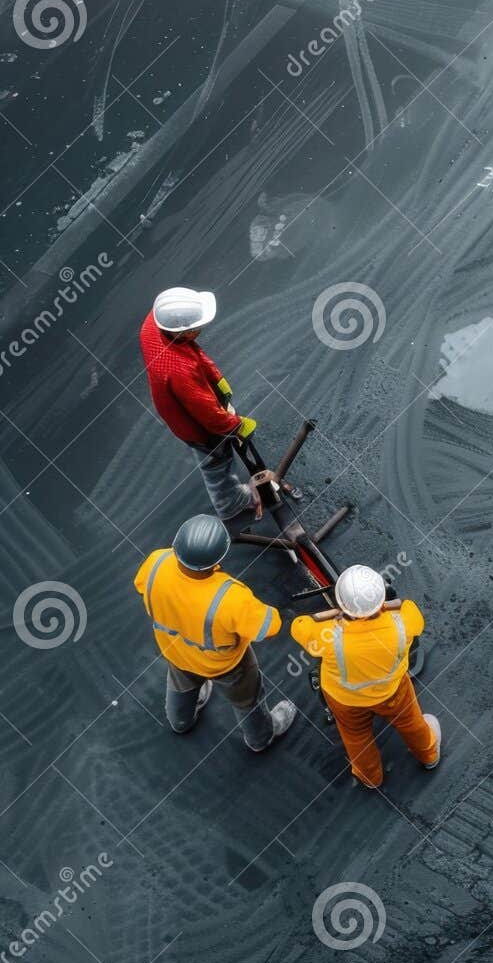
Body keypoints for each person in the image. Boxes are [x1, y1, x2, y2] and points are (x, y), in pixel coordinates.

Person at [134, 514, 297, 751]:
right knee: (247, 701)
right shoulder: (232, 598)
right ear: (217, 559)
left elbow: (141, 586)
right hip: (227, 667)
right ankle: (260, 738)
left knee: (180, 686)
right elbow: (270, 628)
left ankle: (180, 721)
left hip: (176, 652)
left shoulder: (156, 561)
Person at [291, 565, 439, 789]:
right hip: (392, 692)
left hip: (345, 700)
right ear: (380, 600)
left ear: (341, 605)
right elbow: (410, 608)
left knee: (355, 737)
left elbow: (298, 626)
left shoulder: (325, 635)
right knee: (411, 722)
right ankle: (428, 755)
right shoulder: (403, 621)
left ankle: (370, 777)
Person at [140, 287, 259, 519]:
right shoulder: (179, 370)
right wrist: (235, 426)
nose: (200, 330)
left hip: (178, 398)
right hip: (193, 425)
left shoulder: (155, 322)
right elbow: (210, 418)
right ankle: (230, 503)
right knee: (216, 459)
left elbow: (193, 352)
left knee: (219, 441)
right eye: (195, 328)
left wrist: (216, 378)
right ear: (182, 333)